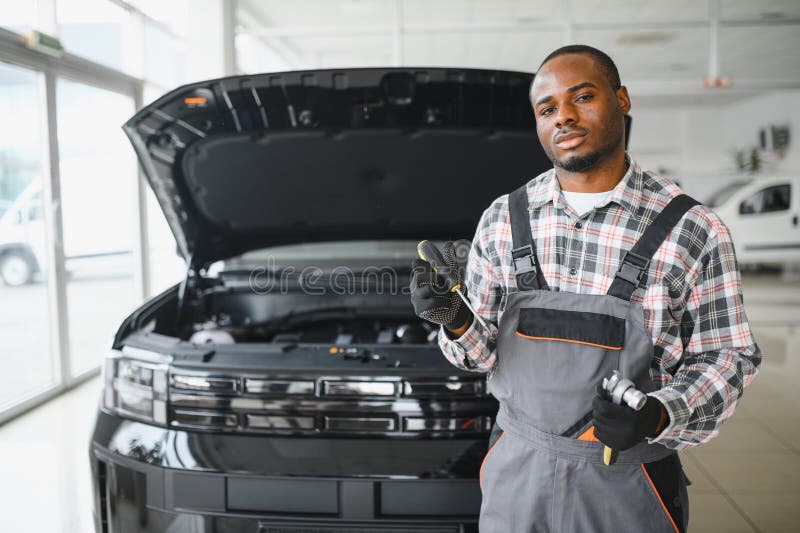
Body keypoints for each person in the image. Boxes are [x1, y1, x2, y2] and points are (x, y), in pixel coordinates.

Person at [410, 45, 760, 532]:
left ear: (622, 99)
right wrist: (458, 320)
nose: (564, 117)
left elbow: (728, 357)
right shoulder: (502, 221)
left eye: (583, 97)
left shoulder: (694, 229)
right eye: (547, 108)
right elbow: (484, 356)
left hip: (628, 480)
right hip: (518, 473)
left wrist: (659, 414)